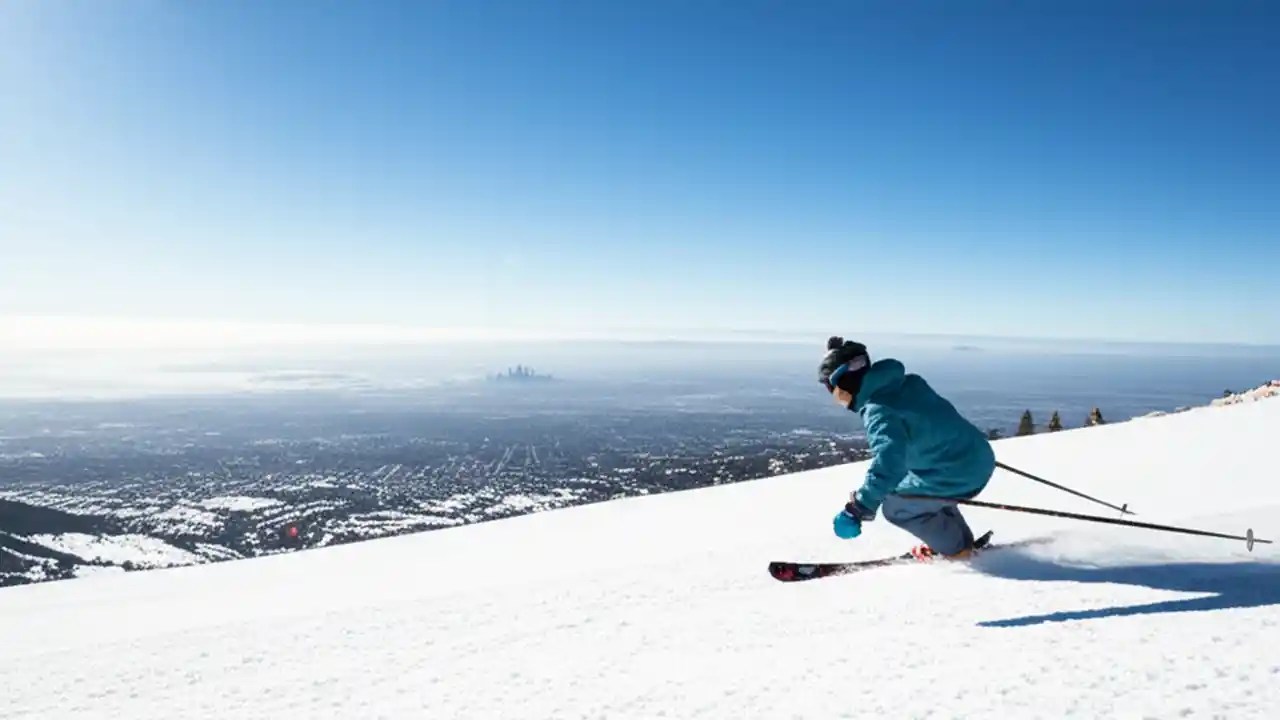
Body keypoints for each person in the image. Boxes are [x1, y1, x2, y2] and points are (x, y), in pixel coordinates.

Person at [818, 336, 996, 560]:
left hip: (956, 472)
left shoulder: (878, 409)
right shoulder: (909, 383)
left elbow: (890, 462)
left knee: (897, 507)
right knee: (913, 491)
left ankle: (958, 549)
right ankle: (955, 541)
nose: (843, 402)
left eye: (837, 394)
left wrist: (859, 507)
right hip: (974, 456)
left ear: (846, 382)